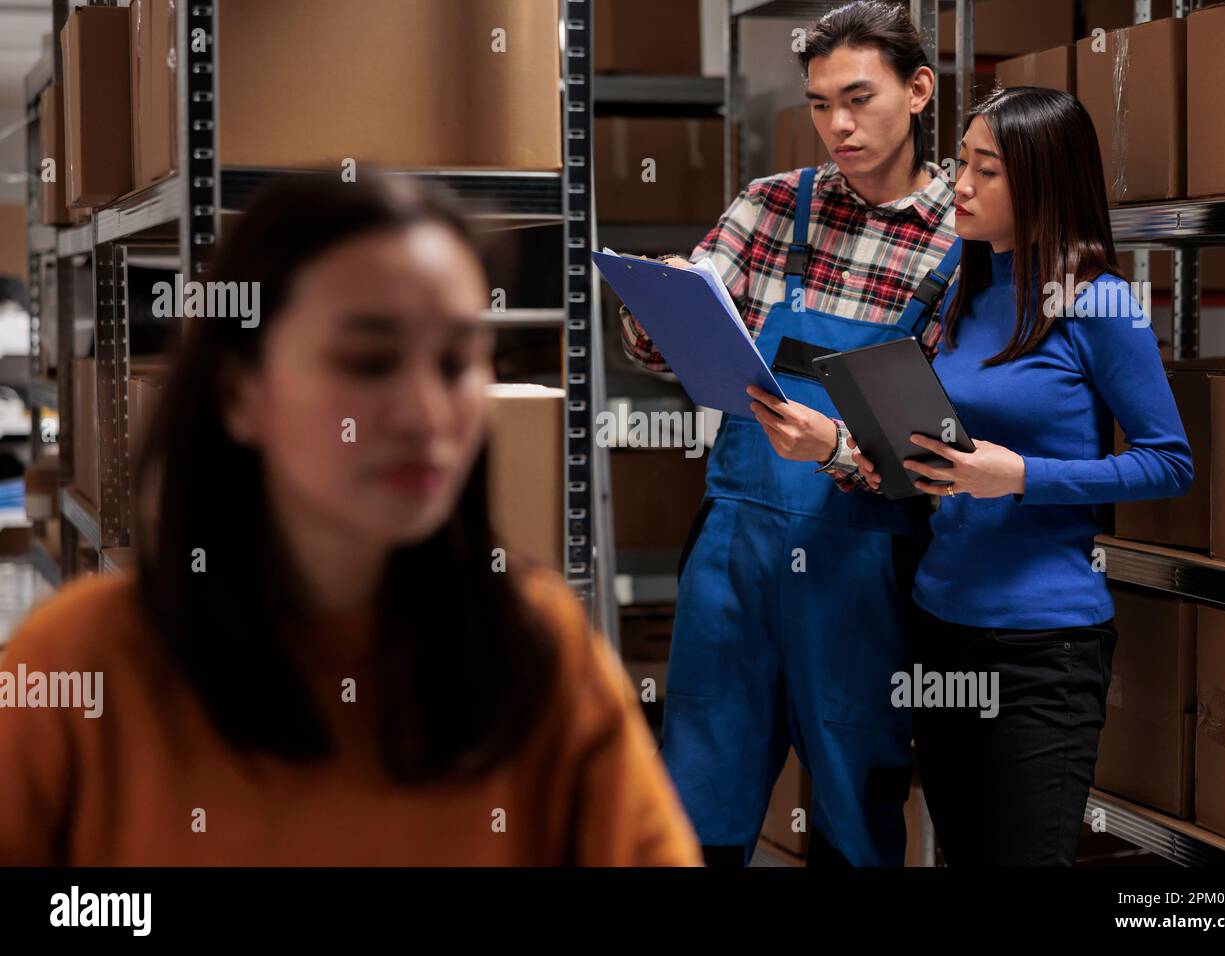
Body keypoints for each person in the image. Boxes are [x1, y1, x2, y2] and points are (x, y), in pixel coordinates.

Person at [0, 174, 702, 866]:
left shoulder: (538, 655)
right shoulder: (81, 665)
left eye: (457, 362)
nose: (425, 414)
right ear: (238, 390)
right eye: (369, 362)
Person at [620, 1, 959, 866]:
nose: (836, 126)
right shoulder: (772, 205)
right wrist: (658, 306)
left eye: (858, 98)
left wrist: (837, 450)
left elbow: (949, 454)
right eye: (817, 104)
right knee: (697, 796)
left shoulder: (965, 240)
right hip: (736, 547)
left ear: (919, 90)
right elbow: (669, 348)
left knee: (855, 808)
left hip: (862, 567)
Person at [852, 86, 1194, 865]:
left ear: (1043, 180)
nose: (961, 187)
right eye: (960, 165)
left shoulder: (1100, 303)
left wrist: (1021, 478)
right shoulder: (962, 288)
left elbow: (1169, 462)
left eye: (988, 170)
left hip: (1043, 648)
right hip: (940, 625)